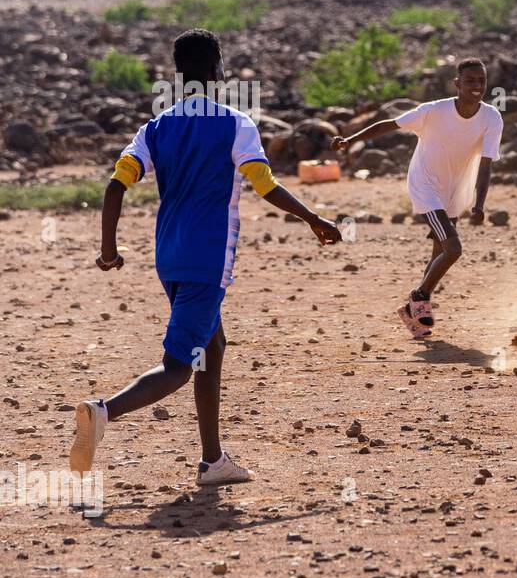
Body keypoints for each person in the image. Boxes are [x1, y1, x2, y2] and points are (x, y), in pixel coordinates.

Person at [73, 29, 343, 485]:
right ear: (218, 71)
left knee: (212, 347)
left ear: (178, 75)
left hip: (170, 256)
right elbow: (265, 185)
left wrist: (108, 249)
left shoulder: (155, 128)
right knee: (180, 363)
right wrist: (314, 217)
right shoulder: (235, 124)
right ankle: (103, 412)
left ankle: (212, 461)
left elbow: (116, 185)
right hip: (207, 261)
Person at [332, 59, 502, 339]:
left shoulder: (491, 117)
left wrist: (479, 203)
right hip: (425, 186)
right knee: (454, 248)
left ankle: (415, 317)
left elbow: (486, 164)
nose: (477, 86)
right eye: (470, 81)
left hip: (456, 190)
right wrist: (351, 139)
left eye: (481, 81)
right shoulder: (434, 110)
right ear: (457, 84)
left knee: (440, 251)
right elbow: (391, 124)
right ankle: (419, 297)